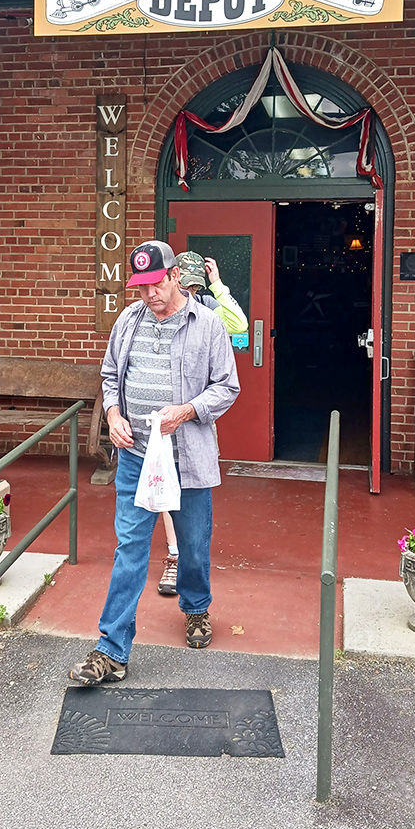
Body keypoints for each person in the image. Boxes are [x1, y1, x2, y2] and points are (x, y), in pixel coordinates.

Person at [70, 240, 240, 685]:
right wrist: (112, 415)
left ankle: (196, 608)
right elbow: (110, 375)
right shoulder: (128, 320)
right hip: (136, 458)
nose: (149, 296)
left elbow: (227, 387)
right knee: (129, 549)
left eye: (155, 285)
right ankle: (111, 650)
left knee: (194, 546)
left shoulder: (207, 325)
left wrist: (184, 412)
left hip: (187, 459)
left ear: (175, 277)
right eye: (141, 287)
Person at [156, 250, 248, 598]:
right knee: (164, 484)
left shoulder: (209, 308)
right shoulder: (158, 310)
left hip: (196, 417)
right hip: (163, 414)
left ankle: (191, 561)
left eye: (196, 284)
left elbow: (239, 325)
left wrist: (218, 285)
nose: (190, 291)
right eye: (187, 282)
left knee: (193, 491)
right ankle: (175, 555)